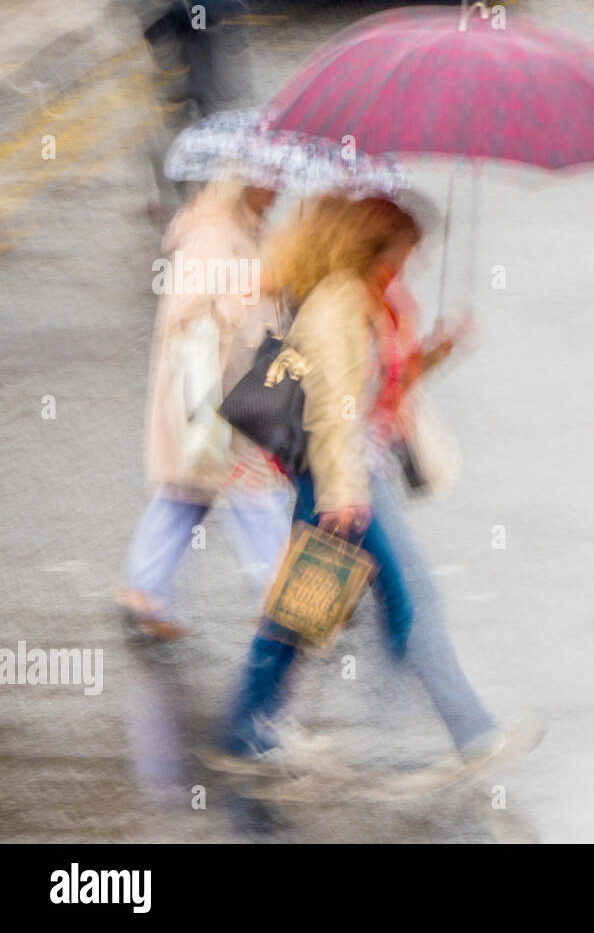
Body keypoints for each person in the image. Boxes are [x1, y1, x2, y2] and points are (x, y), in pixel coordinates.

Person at [216, 194, 535, 771]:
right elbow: (333, 408)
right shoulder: (339, 303)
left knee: (305, 608)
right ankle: (474, 733)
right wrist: (342, 493)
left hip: (351, 472)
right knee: (413, 595)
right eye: (407, 249)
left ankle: (248, 730)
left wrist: (438, 350)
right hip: (346, 475)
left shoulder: (366, 299)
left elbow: (380, 390)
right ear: (378, 244)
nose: (414, 262)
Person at [117, 180, 288, 641]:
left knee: (188, 490)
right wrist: (250, 294)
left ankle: (143, 588)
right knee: (252, 487)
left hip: (236, 384)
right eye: (269, 177)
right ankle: (280, 598)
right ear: (243, 180)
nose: (279, 187)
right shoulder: (212, 234)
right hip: (216, 391)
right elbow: (187, 313)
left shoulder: (247, 229)